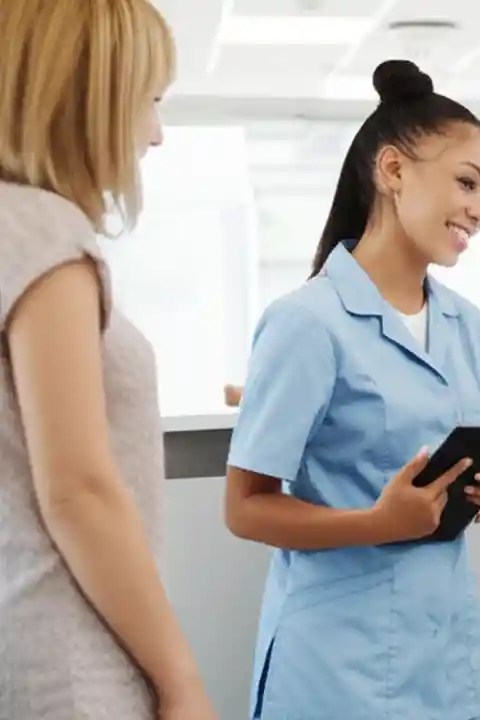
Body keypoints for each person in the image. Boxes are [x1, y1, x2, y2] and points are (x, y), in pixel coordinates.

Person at [224, 59, 480, 720]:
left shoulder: (470, 330)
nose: (478, 209)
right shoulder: (307, 323)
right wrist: (375, 523)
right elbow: (245, 508)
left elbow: (455, 483)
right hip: (335, 667)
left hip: (444, 656)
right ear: (393, 171)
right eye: (467, 183)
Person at [0, 1, 216, 718]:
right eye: (148, 100)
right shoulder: (45, 234)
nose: (154, 134)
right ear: (89, 92)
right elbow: (80, 491)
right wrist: (180, 678)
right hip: (71, 661)